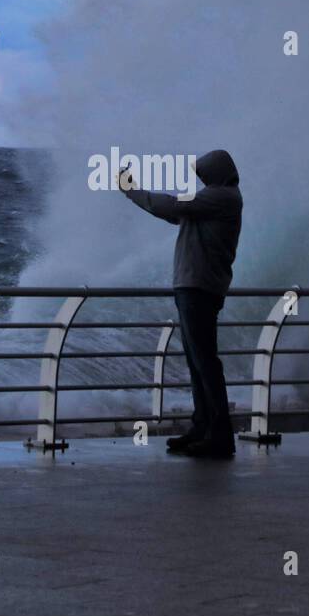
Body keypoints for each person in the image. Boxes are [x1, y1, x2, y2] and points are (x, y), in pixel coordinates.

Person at [119, 150, 242, 459]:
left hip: (199, 287)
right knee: (198, 362)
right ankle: (202, 428)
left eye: (203, 173)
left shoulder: (223, 196)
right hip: (194, 286)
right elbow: (174, 210)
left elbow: (173, 205)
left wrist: (131, 190)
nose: (200, 179)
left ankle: (219, 436)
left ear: (217, 173)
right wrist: (139, 196)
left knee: (205, 363)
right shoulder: (212, 200)